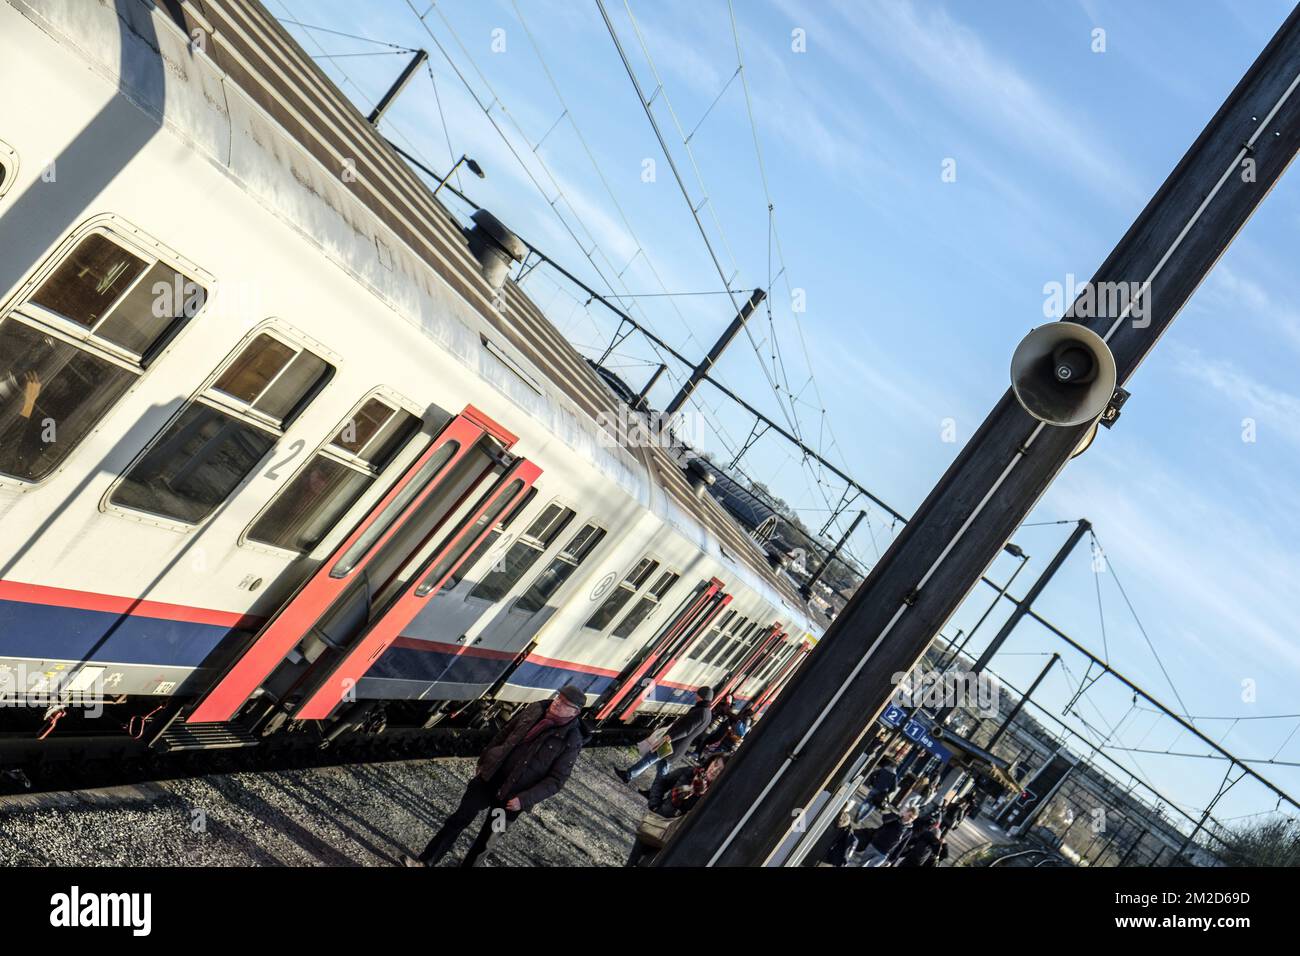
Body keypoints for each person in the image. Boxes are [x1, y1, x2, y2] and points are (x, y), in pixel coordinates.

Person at [402, 684, 586, 868]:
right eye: (559, 697)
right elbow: (504, 734)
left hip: (512, 800)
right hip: (489, 780)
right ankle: (425, 862)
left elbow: (556, 781)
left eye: (564, 703)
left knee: (486, 841)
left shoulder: (572, 741)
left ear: (574, 712)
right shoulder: (536, 709)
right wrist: (485, 762)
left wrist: (523, 800)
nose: (557, 703)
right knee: (458, 819)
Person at [626, 754, 727, 866]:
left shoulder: (714, 795)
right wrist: (655, 805)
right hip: (658, 820)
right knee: (633, 859)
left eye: (719, 770)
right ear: (711, 761)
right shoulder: (690, 772)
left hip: (675, 835)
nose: (714, 770)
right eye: (715, 764)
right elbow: (661, 783)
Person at [615, 685, 713, 783]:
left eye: (698, 694)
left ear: (701, 696)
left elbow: (687, 730)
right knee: (662, 765)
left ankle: (629, 775)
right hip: (677, 745)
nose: (696, 695)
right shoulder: (707, 713)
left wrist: (670, 737)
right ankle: (654, 789)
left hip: (674, 743)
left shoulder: (702, 712)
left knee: (652, 758)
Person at [850, 806, 917, 867]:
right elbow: (884, 819)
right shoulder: (895, 818)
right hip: (874, 845)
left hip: (884, 854)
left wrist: (891, 860)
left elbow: (901, 847)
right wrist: (898, 816)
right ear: (906, 812)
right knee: (860, 864)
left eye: (912, 818)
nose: (910, 819)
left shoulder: (909, 831)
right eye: (909, 815)